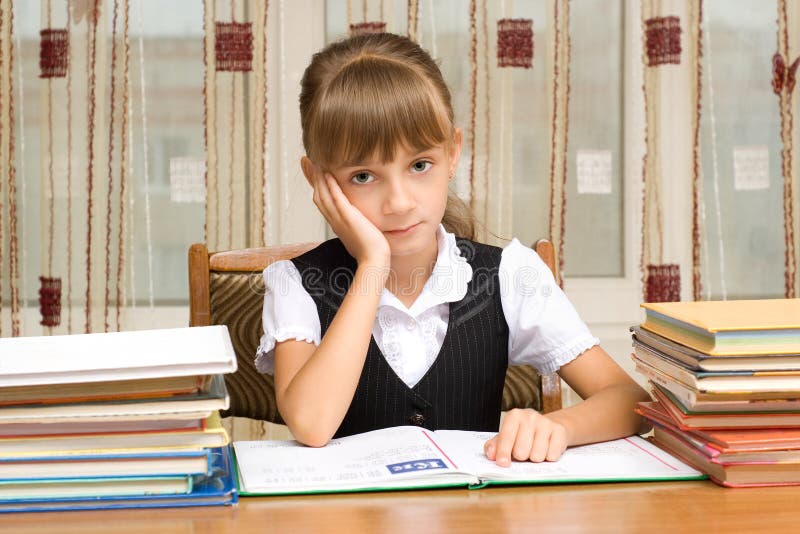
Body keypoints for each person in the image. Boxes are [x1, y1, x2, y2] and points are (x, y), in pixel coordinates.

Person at [255, 32, 650, 465]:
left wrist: (557, 426)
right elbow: (312, 425)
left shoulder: (510, 275)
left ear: (452, 153)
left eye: (420, 165)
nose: (400, 202)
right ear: (318, 179)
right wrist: (372, 265)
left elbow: (629, 400)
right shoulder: (295, 284)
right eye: (363, 176)